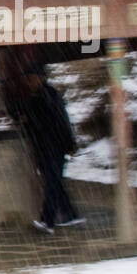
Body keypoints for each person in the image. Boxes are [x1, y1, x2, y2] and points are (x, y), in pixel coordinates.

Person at [19, 66, 83, 234]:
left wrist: (70, 144)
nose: (30, 83)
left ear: (41, 78)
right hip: (48, 146)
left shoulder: (46, 98)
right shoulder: (41, 97)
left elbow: (59, 122)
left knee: (52, 183)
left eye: (32, 79)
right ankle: (70, 215)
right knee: (55, 182)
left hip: (51, 146)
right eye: (28, 80)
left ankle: (47, 221)